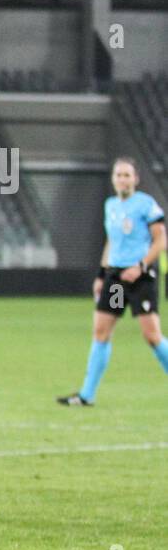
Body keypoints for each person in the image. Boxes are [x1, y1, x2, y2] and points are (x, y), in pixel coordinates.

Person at [58, 157, 168, 406]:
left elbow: (161, 241)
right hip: (116, 280)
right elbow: (112, 242)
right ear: (113, 179)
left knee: (152, 336)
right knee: (101, 331)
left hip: (140, 279)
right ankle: (87, 395)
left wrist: (140, 267)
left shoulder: (146, 205)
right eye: (119, 175)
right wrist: (101, 274)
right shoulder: (111, 206)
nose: (122, 179)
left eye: (127, 175)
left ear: (136, 179)